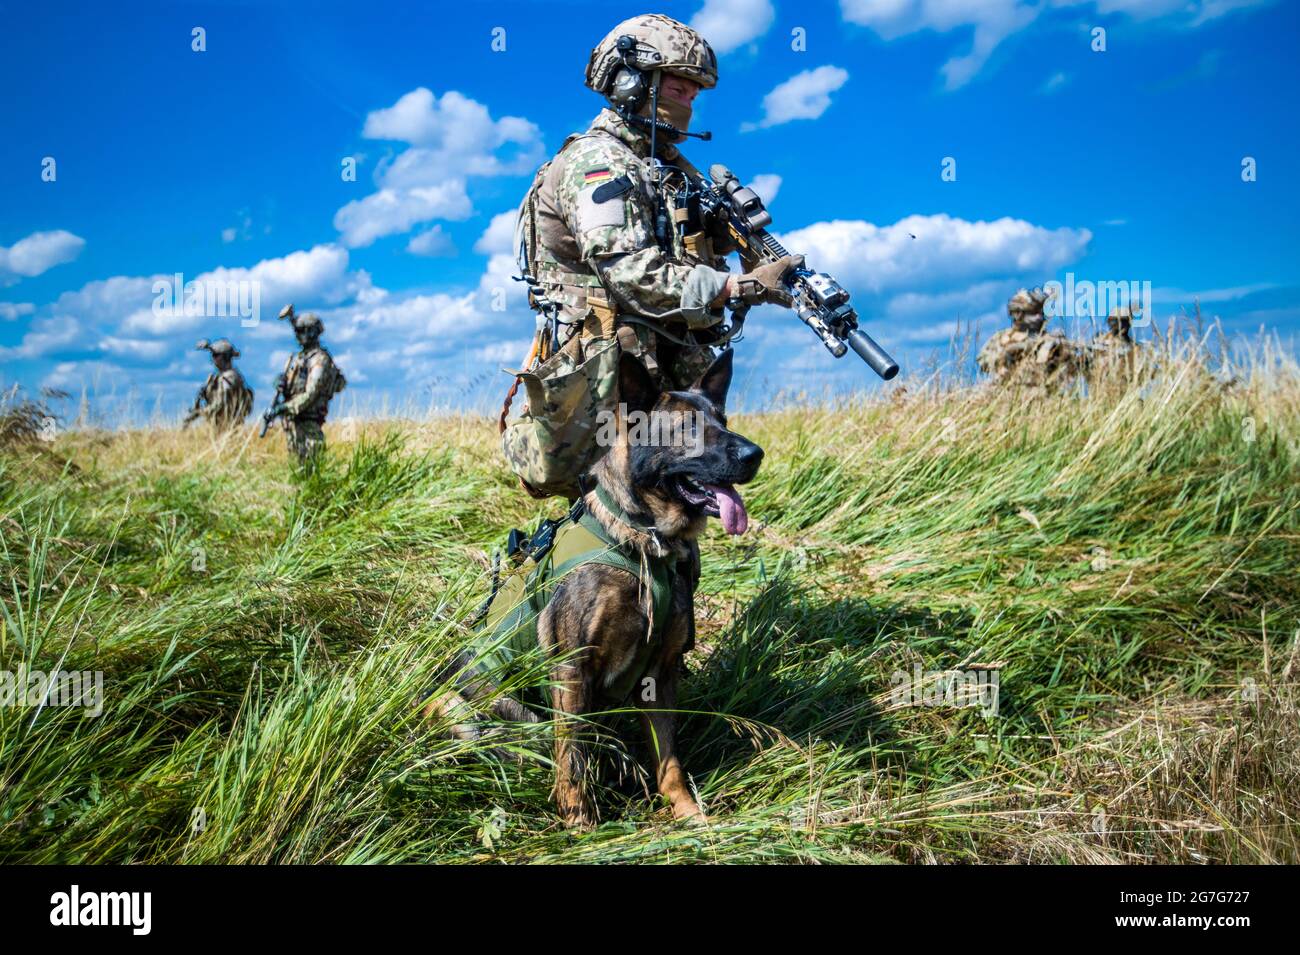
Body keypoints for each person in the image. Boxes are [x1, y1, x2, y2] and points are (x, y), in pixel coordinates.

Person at [502, 13, 800, 499]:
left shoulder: (659, 169)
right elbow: (629, 272)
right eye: (679, 89)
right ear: (629, 84)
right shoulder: (599, 162)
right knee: (609, 509)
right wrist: (736, 286)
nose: (689, 103)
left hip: (656, 370)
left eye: (694, 94)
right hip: (612, 376)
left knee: (674, 504)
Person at [271, 305, 346, 462]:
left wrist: (285, 407)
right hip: (294, 424)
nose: (297, 335)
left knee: (311, 469)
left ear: (311, 332)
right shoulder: (298, 358)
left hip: (309, 425)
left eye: (300, 331)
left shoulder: (320, 359)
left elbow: (311, 393)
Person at [977, 288, 1082, 390]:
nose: (1040, 317)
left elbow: (1067, 369)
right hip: (1006, 390)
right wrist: (1013, 352)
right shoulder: (1002, 337)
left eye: (1041, 312)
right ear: (1018, 314)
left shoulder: (1048, 338)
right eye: (1034, 313)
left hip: (1041, 392)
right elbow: (984, 362)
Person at [185, 338, 253, 431]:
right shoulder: (216, 378)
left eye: (216, 355)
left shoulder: (230, 377)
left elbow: (219, 404)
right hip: (217, 427)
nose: (213, 358)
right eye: (212, 355)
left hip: (229, 428)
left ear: (225, 356)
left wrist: (200, 412)